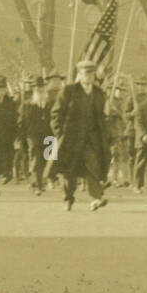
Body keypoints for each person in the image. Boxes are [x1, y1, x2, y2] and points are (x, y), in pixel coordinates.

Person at [47, 59, 110, 211]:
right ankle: (68, 199)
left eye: (91, 74)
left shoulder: (98, 93)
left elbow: (101, 116)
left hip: (92, 139)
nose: (89, 77)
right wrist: (59, 133)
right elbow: (56, 114)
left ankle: (95, 198)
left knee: (93, 167)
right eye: (85, 74)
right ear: (80, 75)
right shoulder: (69, 91)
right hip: (71, 140)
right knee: (69, 172)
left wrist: (106, 133)